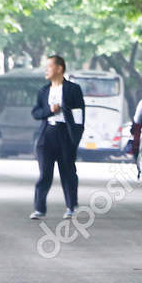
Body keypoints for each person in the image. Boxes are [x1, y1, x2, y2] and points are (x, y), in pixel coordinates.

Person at [30, 56, 84, 219]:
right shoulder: (43, 91)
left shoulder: (73, 89)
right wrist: (50, 111)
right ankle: (39, 209)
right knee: (44, 173)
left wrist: (75, 137)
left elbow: (79, 115)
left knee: (68, 171)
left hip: (65, 134)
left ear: (59, 68)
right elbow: (36, 113)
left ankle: (71, 206)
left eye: (49, 66)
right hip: (47, 134)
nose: (46, 70)